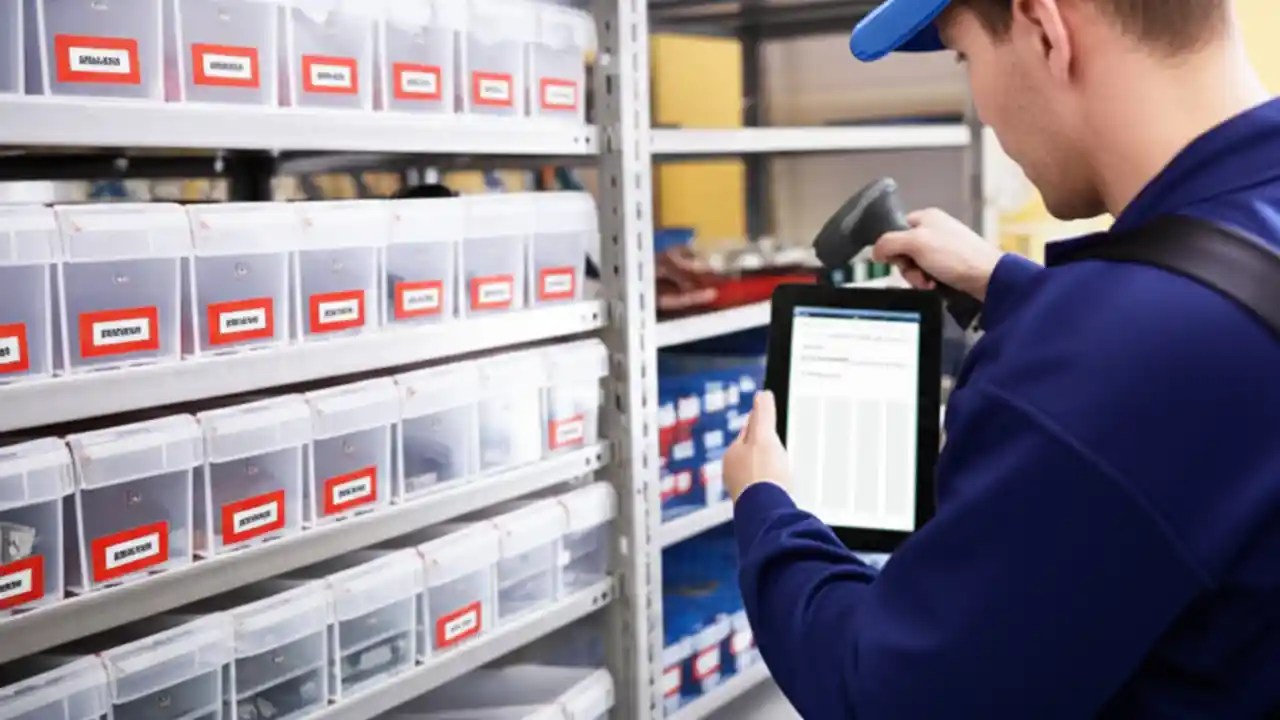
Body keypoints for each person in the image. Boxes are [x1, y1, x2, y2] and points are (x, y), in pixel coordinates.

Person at [722, 0, 1280, 717]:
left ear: (1045, 28)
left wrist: (767, 509)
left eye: (966, 57)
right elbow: (1213, 333)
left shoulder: (1104, 365)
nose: (982, 108)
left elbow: (887, 697)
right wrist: (1016, 291)